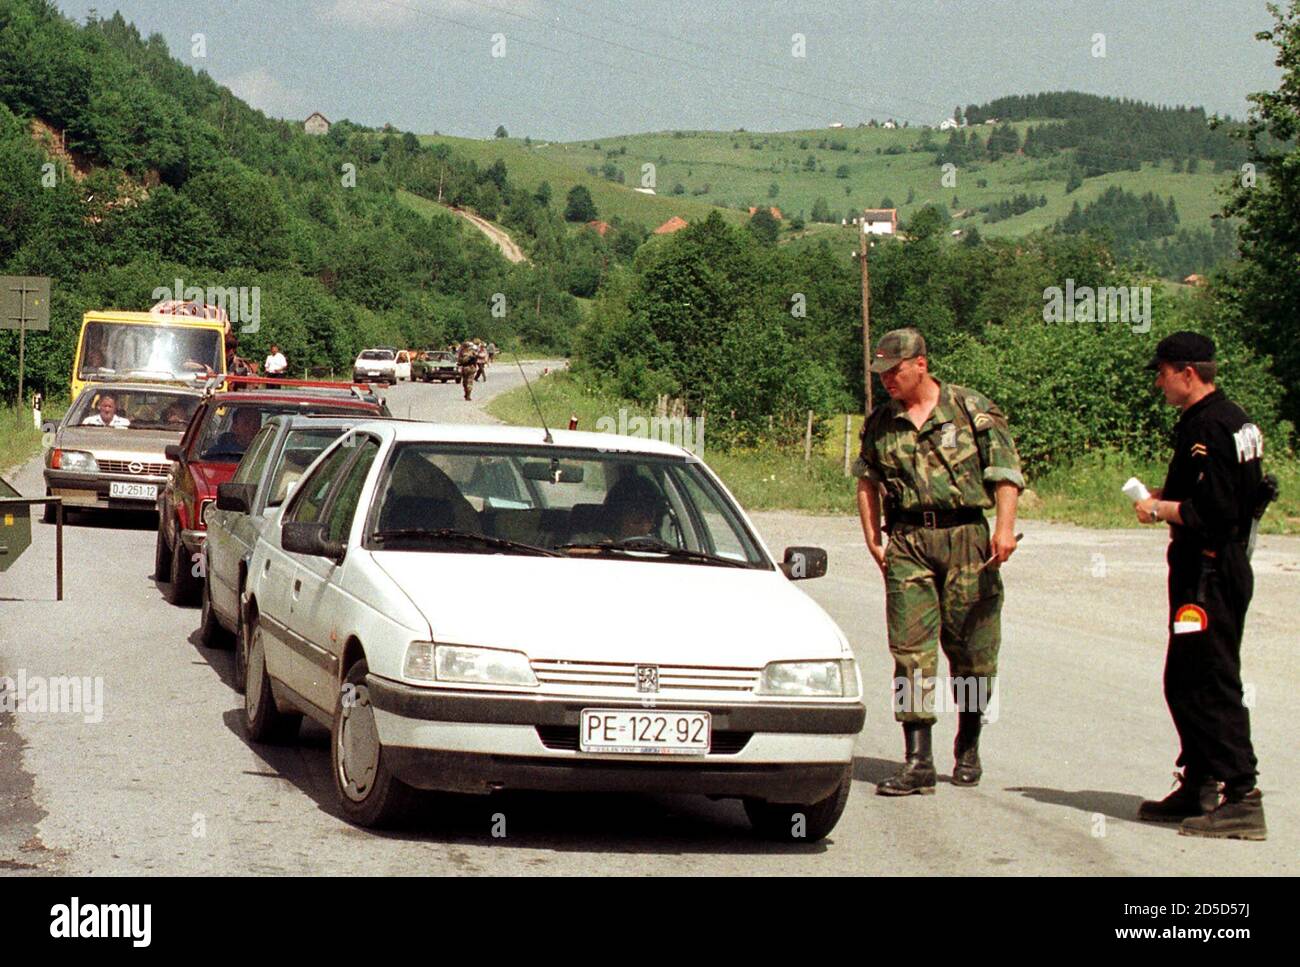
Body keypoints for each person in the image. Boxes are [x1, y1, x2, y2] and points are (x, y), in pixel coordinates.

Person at [853, 327, 1024, 796]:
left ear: (921, 365)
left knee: (971, 652)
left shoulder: (970, 408)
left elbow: (1006, 472)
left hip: (966, 534)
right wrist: (872, 536)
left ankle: (968, 744)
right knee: (910, 653)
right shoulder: (881, 422)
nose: (888, 380)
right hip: (908, 538)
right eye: (882, 373)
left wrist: (1004, 528)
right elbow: (866, 480)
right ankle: (918, 760)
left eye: (895, 371)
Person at [1133, 332, 1266, 840]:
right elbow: (1227, 490)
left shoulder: (1209, 426)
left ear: (1188, 372)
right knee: (1186, 677)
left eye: (1162, 372)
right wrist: (1171, 495)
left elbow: (1212, 513)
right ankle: (1200, 781)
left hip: (1209, 570)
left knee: (1209, 680)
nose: (1159, 381)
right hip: (1214, 566)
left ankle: (1242, 795)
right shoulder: (1234, 419)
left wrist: (1158, 509)